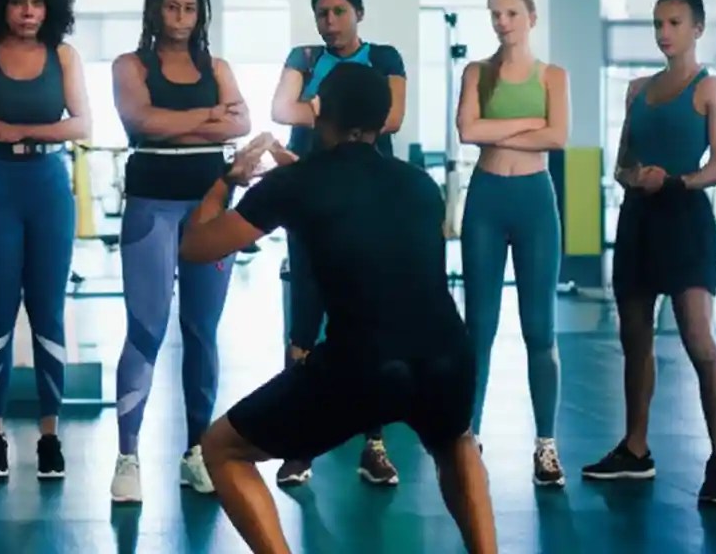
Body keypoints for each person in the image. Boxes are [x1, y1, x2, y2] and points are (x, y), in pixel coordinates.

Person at [183, 64, 496, 554]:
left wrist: (228, 180)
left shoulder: (298, 184)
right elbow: (357, 206)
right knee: (456, 442)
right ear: (381, 120)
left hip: (364, 365)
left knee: (222, 448)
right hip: (448, 356)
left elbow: (197, 246)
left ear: (320, 112)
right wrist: (300, 179)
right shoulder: (419, 184)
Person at [581, 0, 716, 506]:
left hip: (685, 219)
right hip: (638, 221)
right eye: (657, 23)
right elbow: (621, 162)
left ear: (697, 28)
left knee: (698, 339)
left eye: (673, 22)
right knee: (635, 339)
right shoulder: (637, 89)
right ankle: (635, 448)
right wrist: (633, 177)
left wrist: (673, 182)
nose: (663, 32)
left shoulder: (710, 87)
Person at [109, 0, 250, 503]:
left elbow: (240, 124)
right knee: (145, 330)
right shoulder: (130, 66)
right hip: (152, 207)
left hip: (210, 207)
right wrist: (209, 115)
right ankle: (128, 457)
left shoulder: (217, 67)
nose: (181, 18)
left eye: (190, 9)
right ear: (155, 9)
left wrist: (178, 122)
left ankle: (196, 452)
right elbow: (140, 122)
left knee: (201, 331)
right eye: (172, 7)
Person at [267, 0, 406, 487]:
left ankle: (374, 445)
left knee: (368, 323)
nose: (330, 22)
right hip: (311, 200)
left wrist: (316, 107)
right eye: (322, 13)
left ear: (358, 13)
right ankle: (299, 445)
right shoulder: (304, 57)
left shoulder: (383, 57)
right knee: (304, 322)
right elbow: (280, 110)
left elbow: (392, 118)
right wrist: (348, 111)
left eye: (339, 11)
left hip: (368, 202)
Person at [0, 0, 91, 480]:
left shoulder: (63, 56)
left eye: (37, 2)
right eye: (18, 2)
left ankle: (49, 435)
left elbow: (82, 124)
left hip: (48, 186)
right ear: (1, 5)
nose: (29, 11)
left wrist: (20, 130)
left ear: (51, 7)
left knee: (48, 311)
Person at [454, 0, 568, 487]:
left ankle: (546, 445)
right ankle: (469, 437)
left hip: (534, 202)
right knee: (479, 327)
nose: (502, 22)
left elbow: (557, 136)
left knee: (539, 329)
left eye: (512, 13)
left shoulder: (554, 77)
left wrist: (496, 128)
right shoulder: (475, 73)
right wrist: (528, 122)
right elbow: (467, 131)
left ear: (531, 18)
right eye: (495, 14)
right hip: (486, 200)